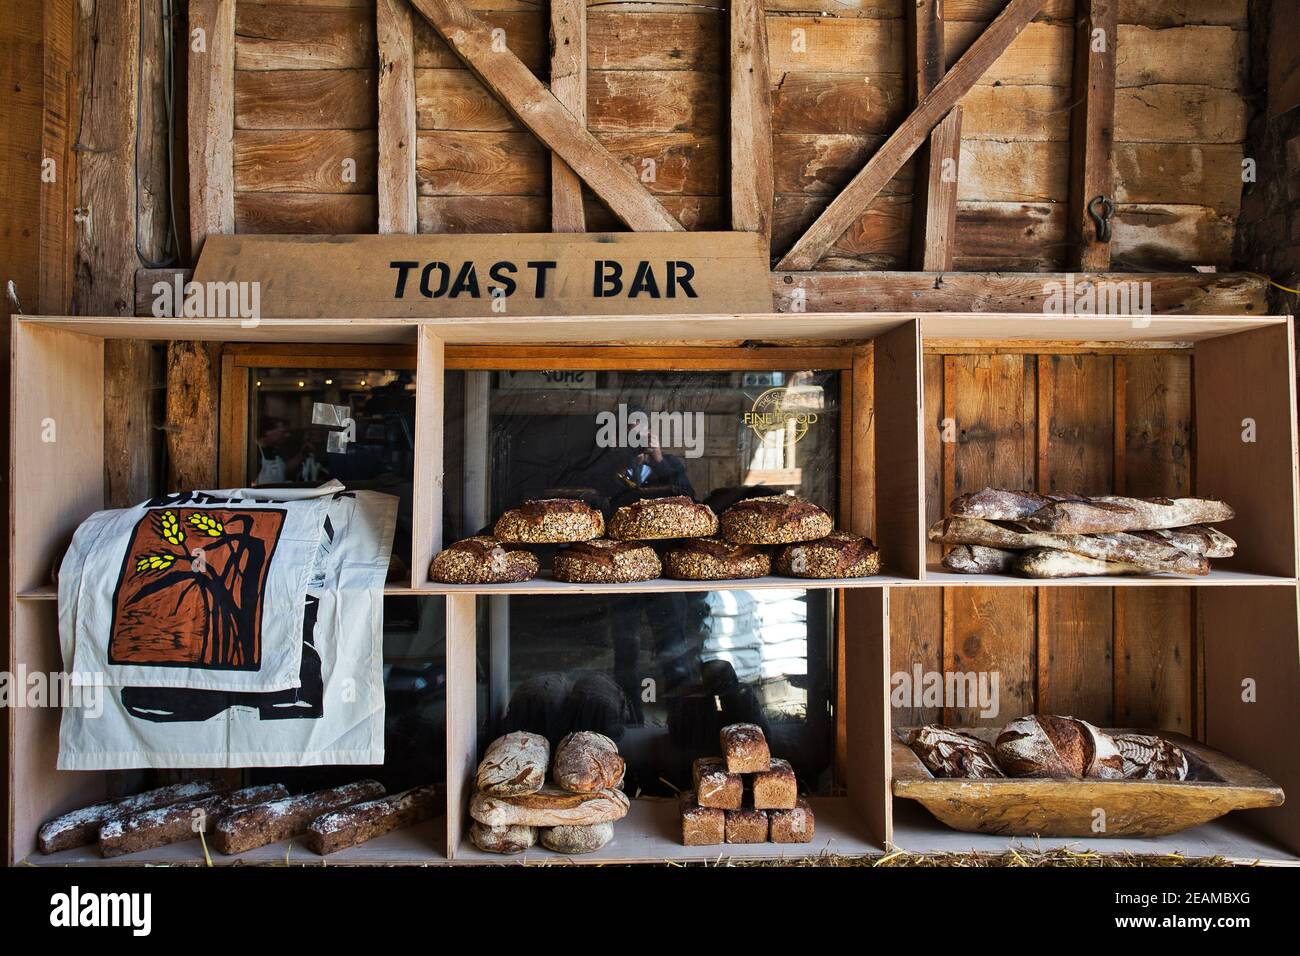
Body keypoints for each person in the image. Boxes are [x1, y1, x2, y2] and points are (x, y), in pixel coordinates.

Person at [255, 416, 312, 485]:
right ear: (267, 432)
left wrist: (301, 455)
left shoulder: (273, 449)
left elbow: (282, 469)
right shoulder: (255, 452)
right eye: (283, 432)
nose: (287, 435)